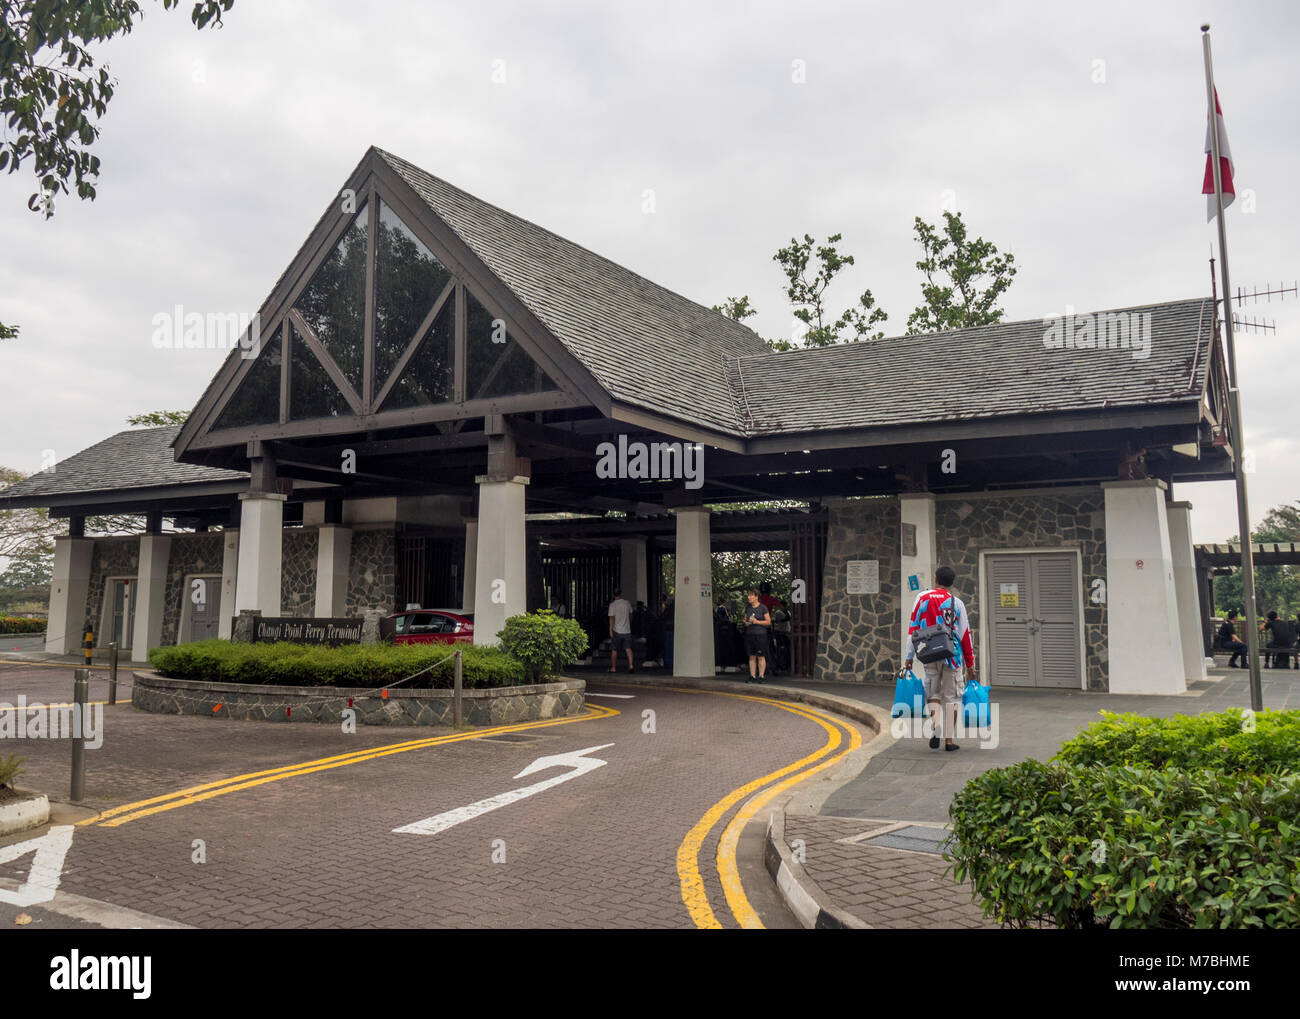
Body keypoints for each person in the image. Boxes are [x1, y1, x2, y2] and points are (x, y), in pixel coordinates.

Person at [904, 565, 976, 751]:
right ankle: (949, 741)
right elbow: (965, 635)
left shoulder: (921, 598)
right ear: (951, 583)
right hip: (952, 657)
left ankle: (935, 727)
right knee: (952, 697)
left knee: (933, 693)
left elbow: (913, 628)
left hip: (929, 655)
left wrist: (909, 656)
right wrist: (970, 664)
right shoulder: (957, 603)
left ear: (936, 580)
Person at [742, 588, 771, 684]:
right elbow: (745, 619)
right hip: (750, 634)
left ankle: (761, 676)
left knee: (761, 656)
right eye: (748, 595)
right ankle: (752, 676)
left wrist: (757, 621)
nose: (748, 597)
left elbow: (768, 622)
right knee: (752, 656)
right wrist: (746, 622)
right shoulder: (748, 607)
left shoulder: (763, 608)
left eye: (751, 595)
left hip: (760, 634)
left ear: (756, 597)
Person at [608, 588, 634, 674]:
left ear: (613, 594)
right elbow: (631, 615)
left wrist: (610, 630)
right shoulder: (627, 603)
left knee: (614, 649)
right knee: (628, 648)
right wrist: (628, 623)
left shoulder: (612, 605)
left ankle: (613, 667)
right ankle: (631, 665)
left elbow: (612, 618)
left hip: (617, 630)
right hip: (627, 630)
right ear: (620, 594)